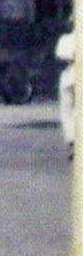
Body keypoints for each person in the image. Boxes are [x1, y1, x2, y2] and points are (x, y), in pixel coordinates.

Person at [55, 26, 75, 158]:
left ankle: (72, 140)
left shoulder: (66, 39)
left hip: (69, 77)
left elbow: (61, 57)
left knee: (67, 110)